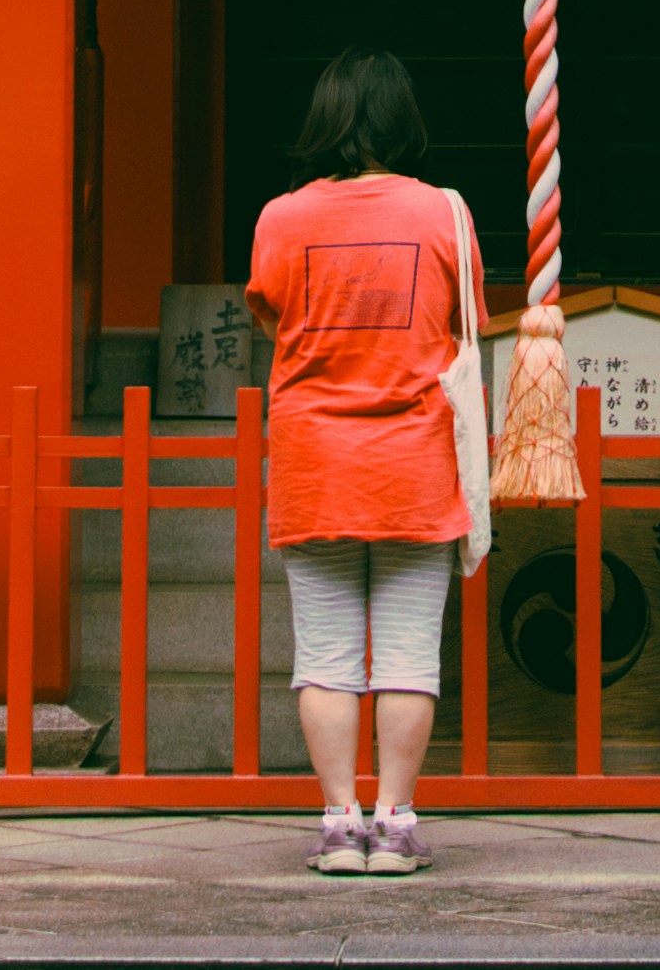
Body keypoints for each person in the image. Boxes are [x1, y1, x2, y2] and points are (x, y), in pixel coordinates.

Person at [242, 47, 477, 876]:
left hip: (315, 458)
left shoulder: (281, 217)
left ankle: (341, 825)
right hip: (413, 459)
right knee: (411, 654)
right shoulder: (443, 214)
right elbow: (460, 324)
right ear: (403, 121)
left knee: (326, 654)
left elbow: (274, 321)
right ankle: (398, 822)